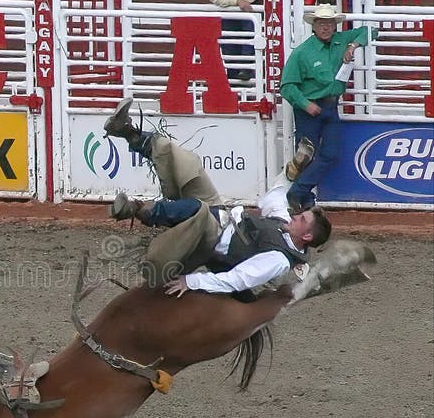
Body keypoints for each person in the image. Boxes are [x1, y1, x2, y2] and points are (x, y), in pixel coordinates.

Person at [103, 98, 331, 293]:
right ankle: (127, 132)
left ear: (308, 237)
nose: (296, 216)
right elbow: (276, 194)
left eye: (302, 219)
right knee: (189, 164)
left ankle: (136, 209)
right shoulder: (283, 222)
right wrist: (292, 171)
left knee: (199, 210)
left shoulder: (278, 260)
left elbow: (239, 279)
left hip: (213, 241)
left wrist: (191, 282)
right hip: (222, 214)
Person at [280, 4, 374, 212]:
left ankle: (298, 193)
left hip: (330, 106)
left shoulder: (341, 41)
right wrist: (305, 104)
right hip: (309, 109)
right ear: (314, 27)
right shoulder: (303, 52)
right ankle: (305, 200)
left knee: (328, 154)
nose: (326, 28)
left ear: (334, 26)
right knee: (307, 155)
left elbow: (369, 30)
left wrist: (353, 46)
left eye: (329, 24)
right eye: (322, 24)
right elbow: (286, 86)